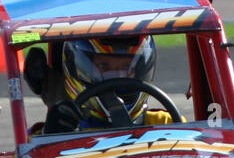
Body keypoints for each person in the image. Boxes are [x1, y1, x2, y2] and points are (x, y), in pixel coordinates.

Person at [23, 35, 174, 135]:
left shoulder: (164, 122)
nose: (117, 77)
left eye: (127, 67)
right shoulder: (54, 131)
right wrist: (49, 138)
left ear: (142, 69)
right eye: (104, 66)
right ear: (79, 68)